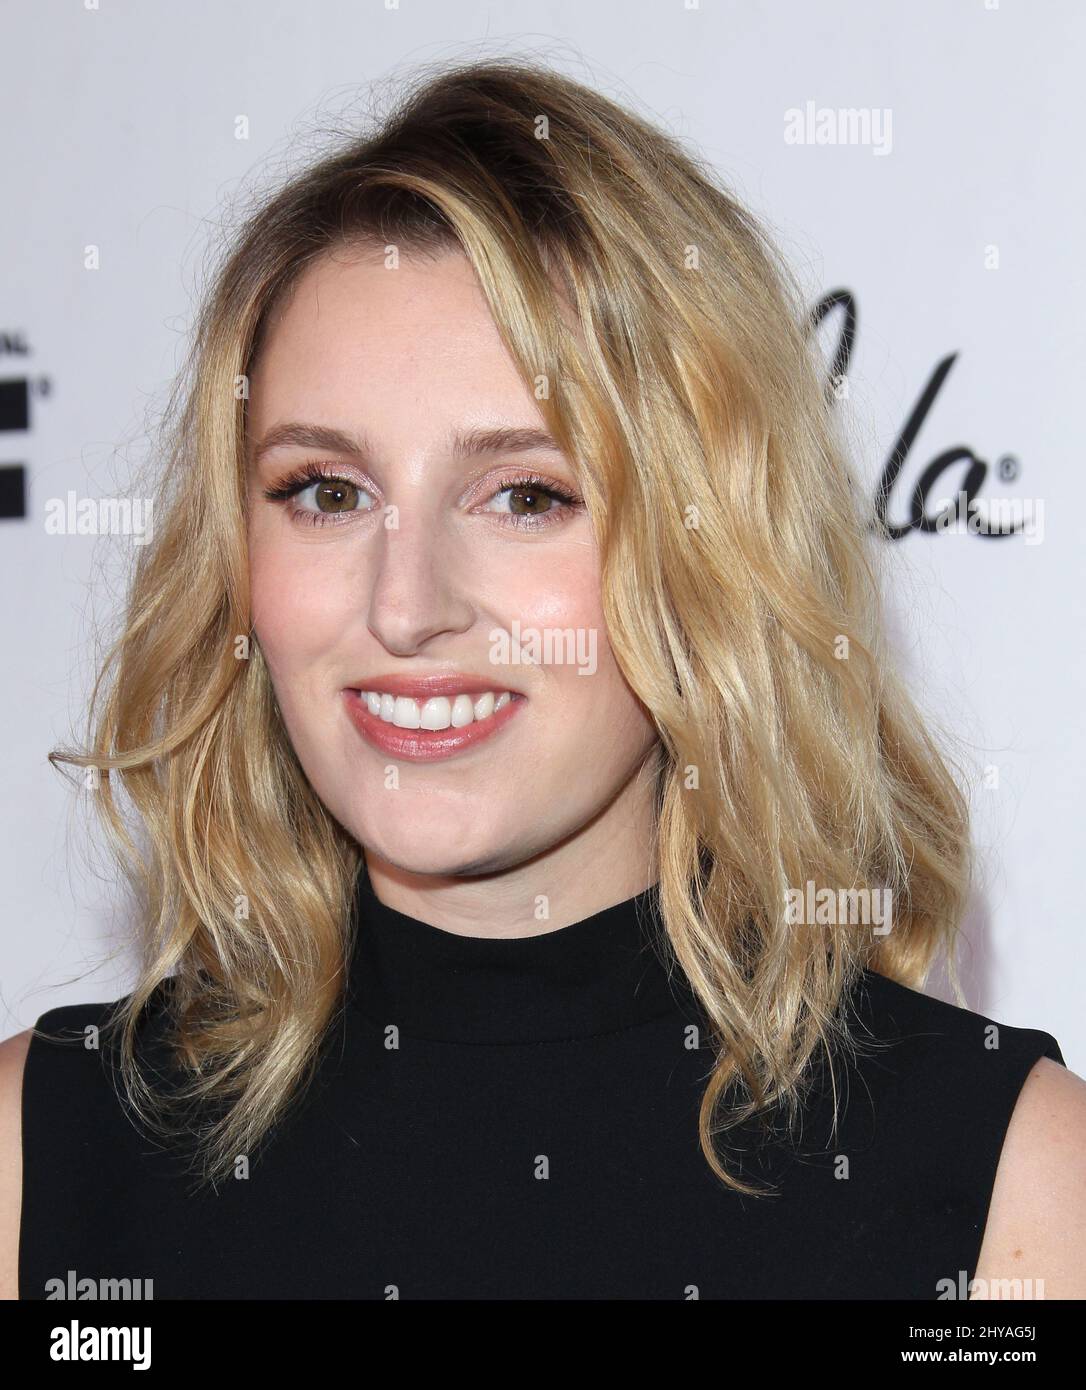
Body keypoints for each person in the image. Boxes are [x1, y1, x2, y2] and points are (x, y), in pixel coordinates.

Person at [2, 58, 1083, 1300]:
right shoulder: (44, 1160)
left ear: (707, 549)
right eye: (327, 491)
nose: (405, 606)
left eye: (527, 494)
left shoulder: (1007, 1188)